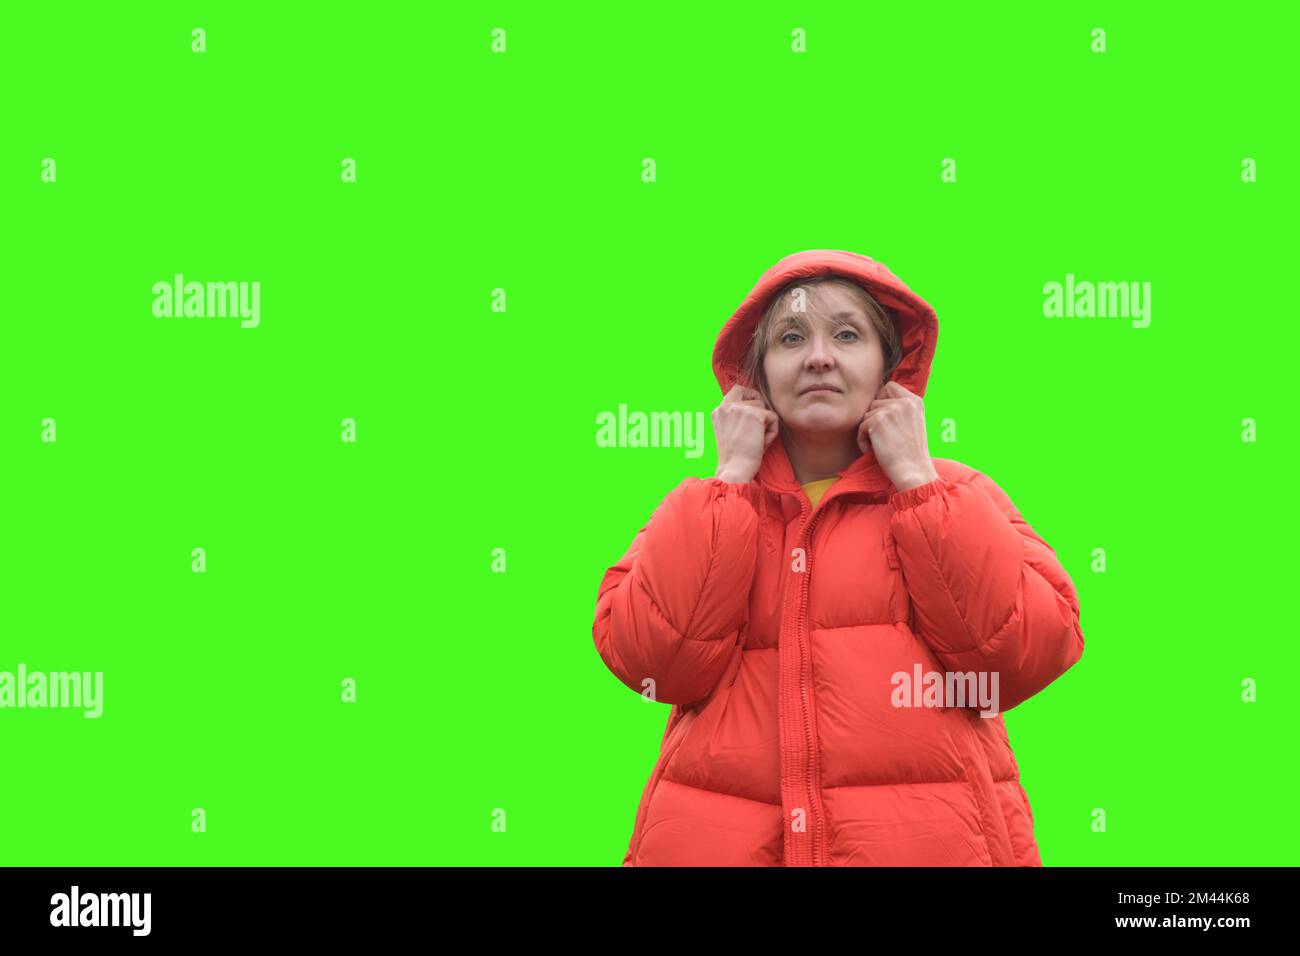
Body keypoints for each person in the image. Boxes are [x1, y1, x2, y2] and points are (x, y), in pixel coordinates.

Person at [592, 249, 1085, 866]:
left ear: (889, 365)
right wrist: (731, 478)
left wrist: (916, 481)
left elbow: (1018, 660)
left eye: (847, 334)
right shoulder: (710, 503)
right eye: (792, 337)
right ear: (758, 373)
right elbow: (656, 667)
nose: (818, 356)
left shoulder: (953, 492)